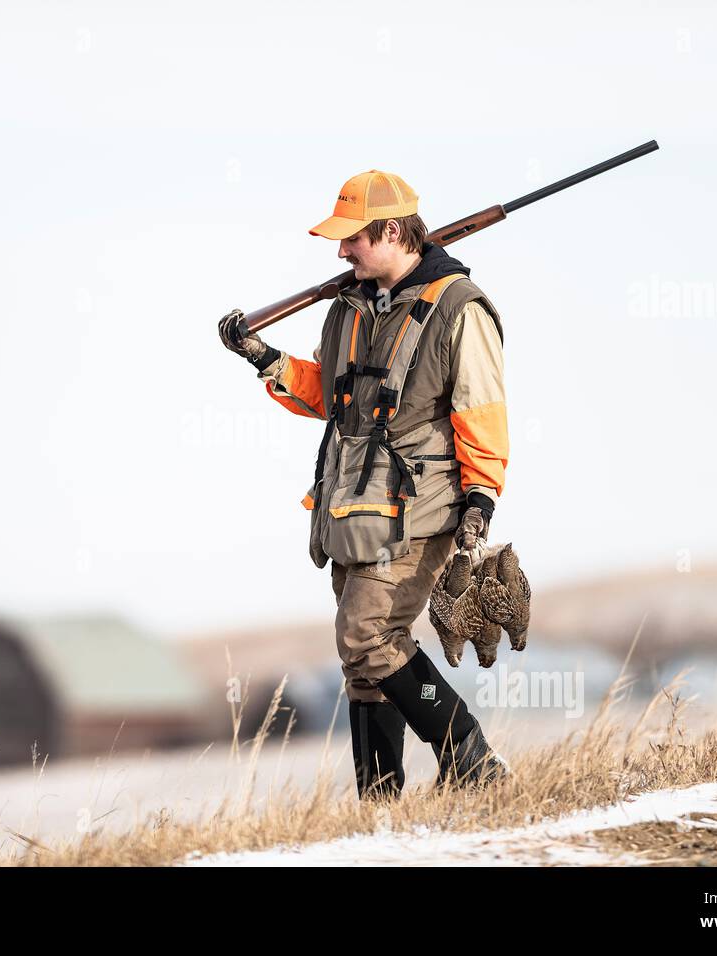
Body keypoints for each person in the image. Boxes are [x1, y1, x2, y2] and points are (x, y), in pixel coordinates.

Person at [217, 169, 510, 800]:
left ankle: (471, 757)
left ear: (395, 232)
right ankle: (380, 805)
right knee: (362, 662)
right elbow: (334, 397)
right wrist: (265, 359)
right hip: (351, 506)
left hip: (423, 508)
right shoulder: (347, 308)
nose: (342, 251)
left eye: (353, 238)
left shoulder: (460, 308)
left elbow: (482, 411)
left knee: (366, 635)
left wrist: (480, 502)